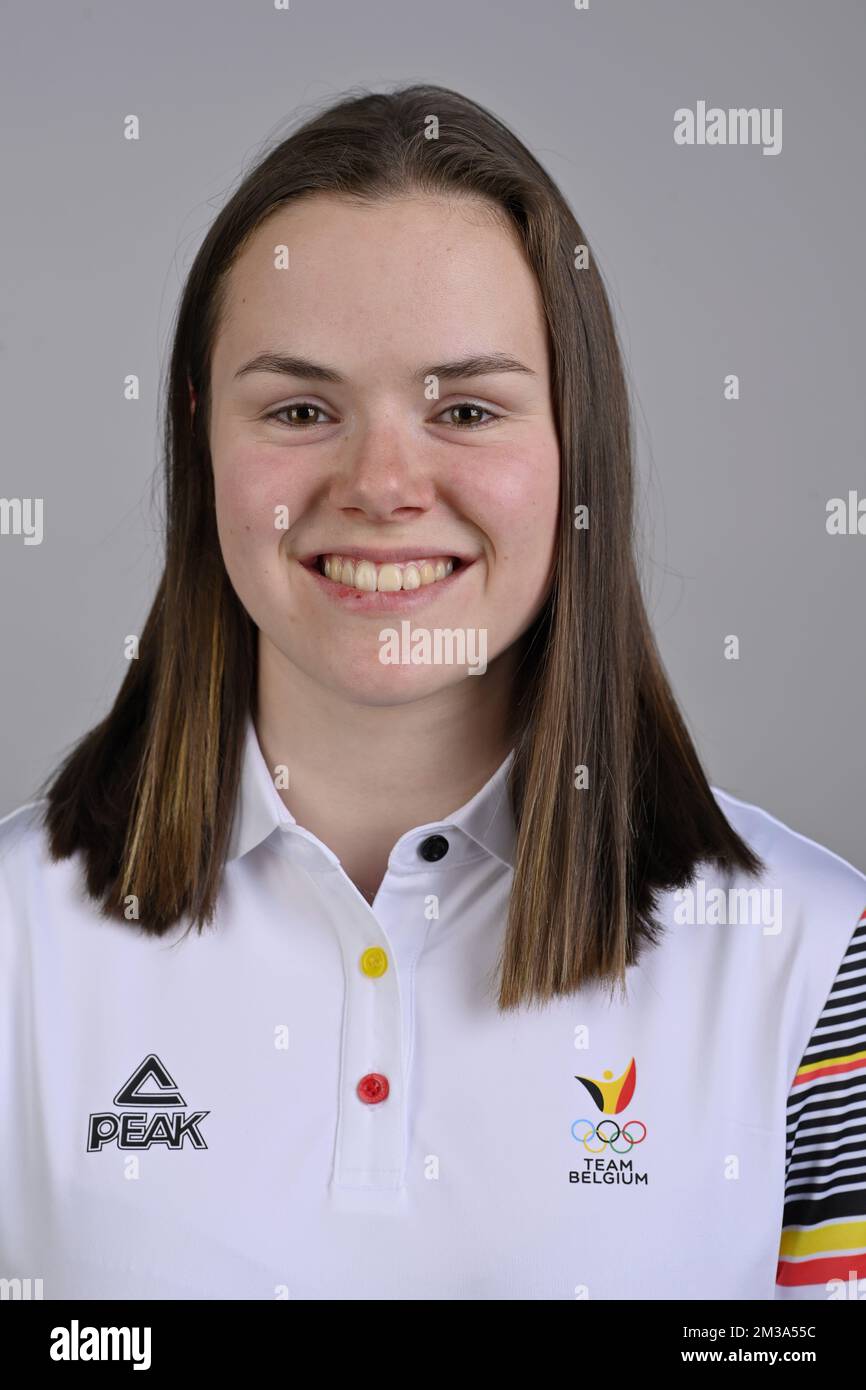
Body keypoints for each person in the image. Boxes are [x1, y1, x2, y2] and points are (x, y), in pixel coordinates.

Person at [1, 83, 863, 1301]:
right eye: (300, 408)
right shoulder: (10, 948)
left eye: (465, 409)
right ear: (202, 438)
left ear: (577, 443)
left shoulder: (814, 962)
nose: (383, 483)